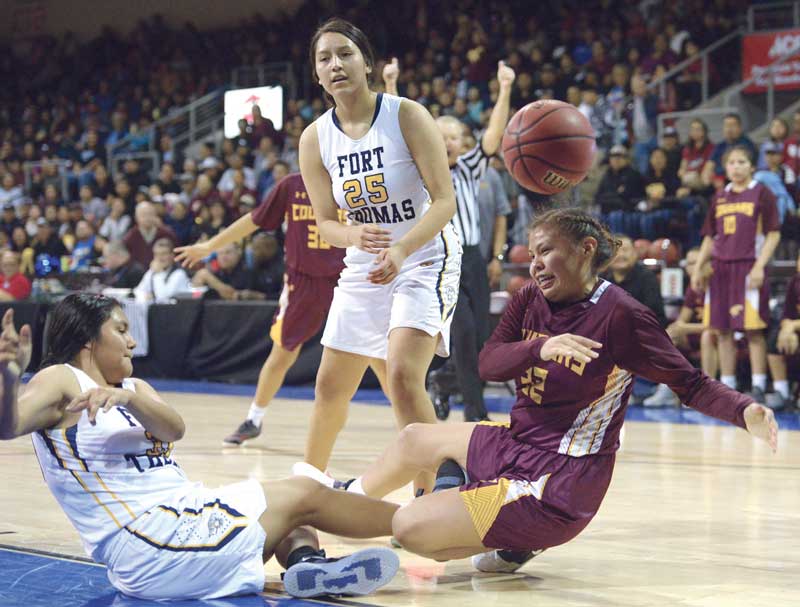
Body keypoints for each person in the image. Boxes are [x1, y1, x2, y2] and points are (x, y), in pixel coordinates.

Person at [300, 209, 778, 573]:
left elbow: (689, 383)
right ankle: (346, 501)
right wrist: (540, 348)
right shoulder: (529, 297)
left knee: (411, 527)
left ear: (585, 250)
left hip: (561, 480)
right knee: (413, 440)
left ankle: (511, 534)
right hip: (516, 443)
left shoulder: (623, 316)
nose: (535, 265)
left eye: (546, 252)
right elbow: (488, 362)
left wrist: (744, 410)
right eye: (531, 255)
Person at [0, 295, 401, 600]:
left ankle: (306, 565)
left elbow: (174, 428)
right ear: (88, 338)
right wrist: (8, 378)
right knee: (305, 494)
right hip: (147, 544)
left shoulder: (134, 387)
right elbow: (9, 425)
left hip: (186, 512)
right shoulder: (62, 378)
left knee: (292, 501)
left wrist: (129, 398)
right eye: (121, 330)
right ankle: (416, 524)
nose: (132, 341)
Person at [297, 18, 461, 491]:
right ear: (317, 75)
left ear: (366, 63)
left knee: (404, 378)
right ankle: (308, 486)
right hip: (365, 264)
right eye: (324, 58)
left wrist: (403, 248)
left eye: (345, 53)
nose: (335, 64)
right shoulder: (314, 139)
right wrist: (352, 236)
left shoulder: (406, 115)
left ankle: (434, 491)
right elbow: (325, 222)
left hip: (424, 255)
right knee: (330, 386)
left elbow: (445, 201)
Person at [176, 173, 385, 445]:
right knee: (282, 352)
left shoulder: (352, 178)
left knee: (376, 353)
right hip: (303, 280)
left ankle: (411, 419)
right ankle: (254, 419)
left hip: (349, 275)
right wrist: (209, 246)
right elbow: (255, 219)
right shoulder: (292, 185)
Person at [386, 56, 515, 421]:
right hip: (442, 259)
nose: (447, 143)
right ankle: (475, 413)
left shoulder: (470, 168)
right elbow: (399, 131)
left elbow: (493, 137)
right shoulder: (420, 169)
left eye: (454, 137)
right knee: (464, 333)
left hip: (474, 258)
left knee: (480, 340)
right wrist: (391, 86)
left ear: (462, 143)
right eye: (440, 137)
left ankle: (443, 382)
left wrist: (505, 87)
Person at [692, 146, 781, 402]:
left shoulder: (761, 193)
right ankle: (727, 386)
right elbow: (710, 237)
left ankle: (758, 385)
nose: (736, 167)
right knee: (722, 330)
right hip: (720, 268)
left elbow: (773, 234)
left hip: (748, 265)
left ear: (752, 166)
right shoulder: (720, 196)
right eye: (732, 162)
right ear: (726, 167)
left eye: (742, 162)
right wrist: (698, 267)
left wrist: (759, 266)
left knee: (753, 330)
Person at [604, 234, 666, 326]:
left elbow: (652, 315)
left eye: (625, 250)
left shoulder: (647, 277)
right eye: (614, 250)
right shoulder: (601, 278)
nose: (620, 255)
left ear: (635, 253)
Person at [766, 253, 800, 409]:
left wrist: (793, 326)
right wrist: (787, 330)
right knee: (774, 339)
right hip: (794, 329)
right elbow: (786, 314)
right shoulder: (795, 281)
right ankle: (782, 392)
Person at [133, 238, 191, 303]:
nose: (160, 257)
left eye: (164, 254)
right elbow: (138, 291)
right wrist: (145, 297)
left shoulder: (179, 274)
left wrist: (159, 273)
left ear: (172, 255)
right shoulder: (152, 271)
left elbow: (162, 298)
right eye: (156, 254)